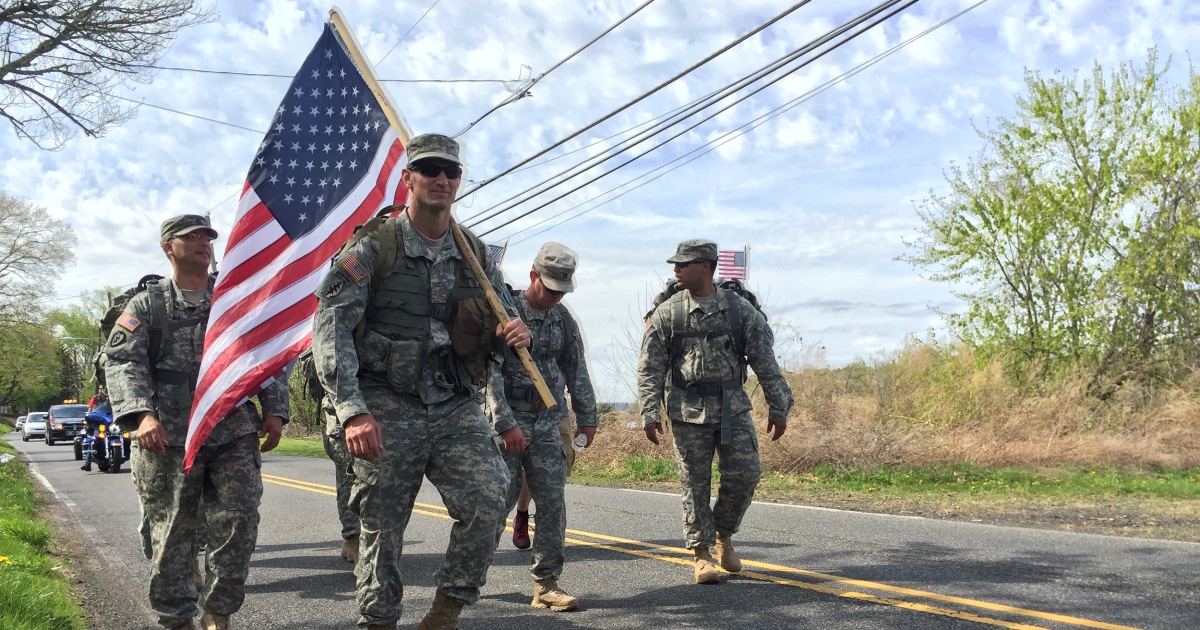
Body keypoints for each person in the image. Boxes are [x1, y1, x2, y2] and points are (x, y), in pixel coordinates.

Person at [311, 133, 532, 630]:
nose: (441, 178)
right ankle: (380, 620)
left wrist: (512, 331)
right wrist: (353, 410)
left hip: (454, 403)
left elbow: (503, 322)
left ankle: (446, 610)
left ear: (459, 181)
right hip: (386, 402)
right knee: (383, 528)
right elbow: (331, 329)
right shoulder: (373, 248)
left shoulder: (475, 254)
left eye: (450, 172)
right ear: (408, 177)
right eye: (429, 169)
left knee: (491, 496)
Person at [103, 214, 289, 630]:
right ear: (169, 247)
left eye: (208, 236)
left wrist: (274, 408)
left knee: (238, 523)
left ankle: (218, 611)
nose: (204, 242)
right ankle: (176, 618)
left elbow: (262, 354)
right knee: (171, 533)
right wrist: (142, 415)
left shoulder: (232, 298)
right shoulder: (146, 304)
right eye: (192, 236)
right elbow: (122, 362)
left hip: (233, 429)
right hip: (168, 437)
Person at [637, 239, 793, 585]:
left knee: (746, 474)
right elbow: (650, 367)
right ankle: (702, 554)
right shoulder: (669, 313)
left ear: (706, 266)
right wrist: (649, 411)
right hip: (686, 410)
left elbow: (764, 360)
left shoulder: (739, 311)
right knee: (694, 484)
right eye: (675, 264)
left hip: (731, 408)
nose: (675, 269)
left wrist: (779, 405)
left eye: (684, 263)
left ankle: (724, 535)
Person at [486, 243, 598, 611]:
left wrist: (587, 417)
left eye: (561, 290)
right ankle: (468, 574)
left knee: (552, 502)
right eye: (549, 288)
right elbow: (489, 374)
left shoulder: (563, 320)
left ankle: (546, 584)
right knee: (495, 502)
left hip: (549, 420)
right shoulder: (504, 312)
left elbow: (576, 369)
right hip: (510, 420)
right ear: (533, 276)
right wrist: (504, 424)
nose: (554, 297)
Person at [321, 396, 360, 564]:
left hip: (379, 411)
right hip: (342, 417)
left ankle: (371, 538)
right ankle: (353, 538)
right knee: (349, 480)